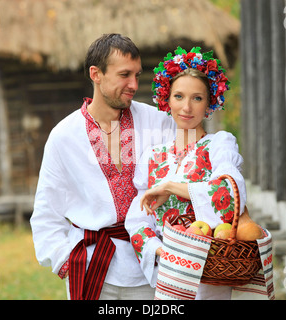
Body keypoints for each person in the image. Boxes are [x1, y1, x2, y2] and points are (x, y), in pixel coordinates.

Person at [30, 33, 176, 300]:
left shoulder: (159, 122)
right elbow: (45, 214)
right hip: (91, 271)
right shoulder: (63, 136)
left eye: (137, 75)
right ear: (95, 74)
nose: (133, 84)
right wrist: (67, 261)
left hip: (151, 269)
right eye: (124, 75)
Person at [125, 46, 247, 300]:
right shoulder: (152, 156)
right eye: (179, 96)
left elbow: (228, 196)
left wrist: (169, 187)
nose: (187, 107)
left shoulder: (219, 145)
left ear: (210, 102)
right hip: (168, 276)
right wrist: (160, 252)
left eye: (197, 98)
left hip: (210, 278)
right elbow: (137, 219)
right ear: (166, 100)